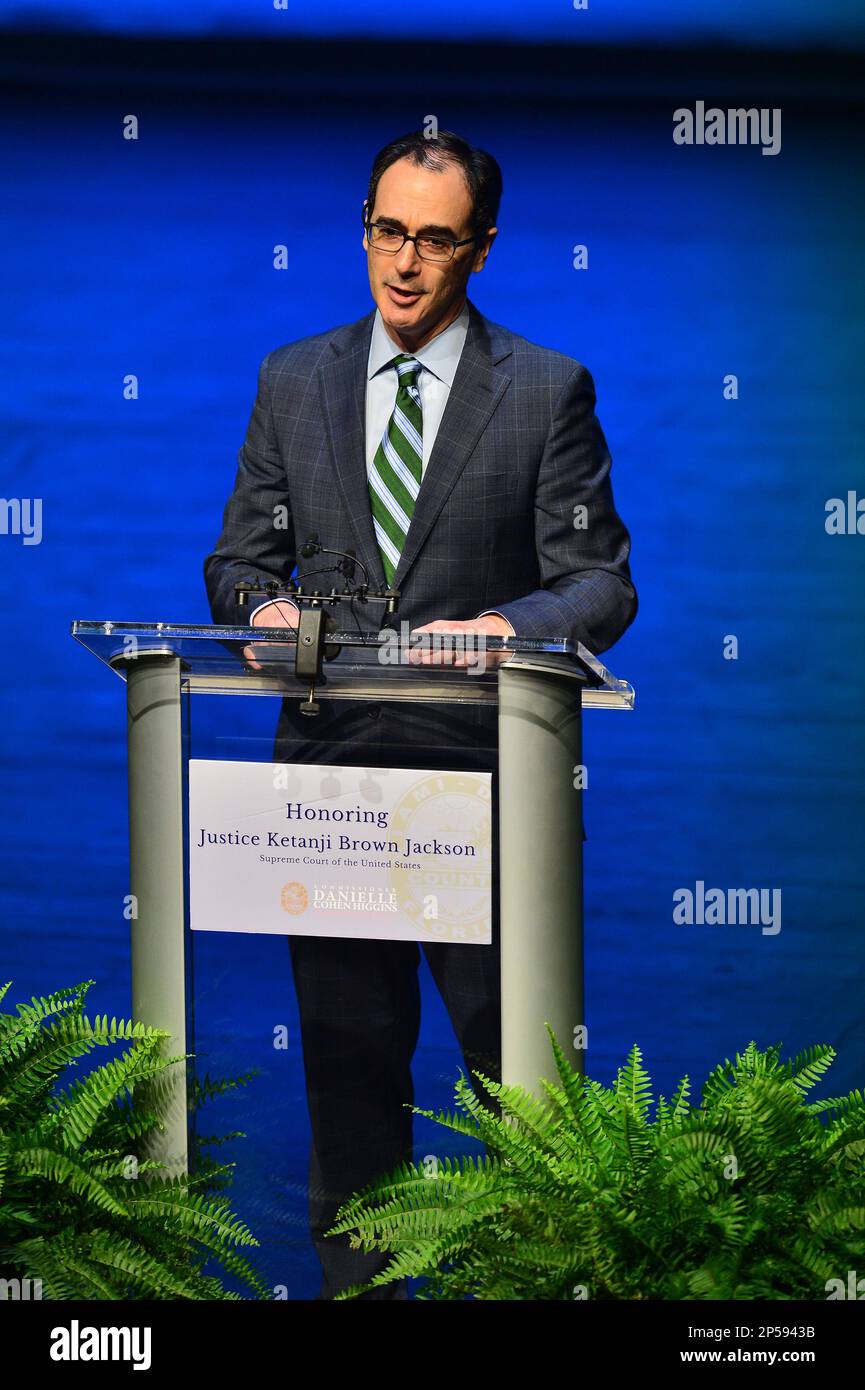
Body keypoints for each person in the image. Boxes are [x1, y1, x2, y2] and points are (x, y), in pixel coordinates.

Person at [204, 129, 637, 1298]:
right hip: (329, 791)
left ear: (480, 250)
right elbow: (235, 560)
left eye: (434, 240)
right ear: (364, 228)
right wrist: (262, 604)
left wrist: (508, 628)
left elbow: (602, 583)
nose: (404, 263)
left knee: (520, 1091)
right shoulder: (291, 379)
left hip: (485, 795)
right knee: (348, 1081)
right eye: (386, 232)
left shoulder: (545, 389)